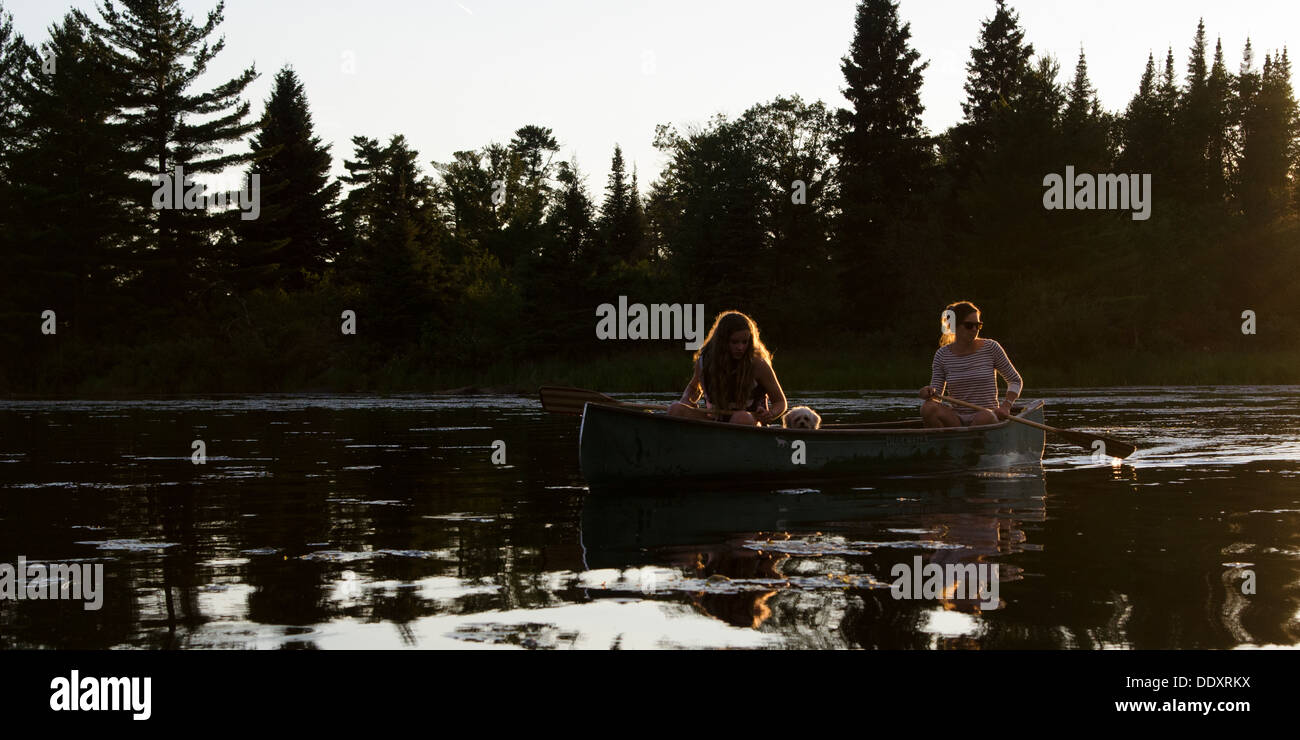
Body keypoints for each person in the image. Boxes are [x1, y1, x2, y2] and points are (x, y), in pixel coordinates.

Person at [668, 311, 788, 426]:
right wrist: (685, 399)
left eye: (744, 342)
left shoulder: (758, 364)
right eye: (734, 342)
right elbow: (694, 387)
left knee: (741, 418)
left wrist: (770, 414)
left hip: (749, 421)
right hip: (715, 420)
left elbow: (781, 402)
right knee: (675, 408)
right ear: (722, 341)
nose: (740, 347)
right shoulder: (705, 361)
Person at [918, 301, 1023, 428]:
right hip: (955, 419)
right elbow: (936, 396)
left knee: (984, 417)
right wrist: (928, 393)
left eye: (978, 325)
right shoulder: (942, 355)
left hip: (987, 416)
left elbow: (1015, 380)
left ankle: (973, 444)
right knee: (927, 408)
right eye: (969, 325)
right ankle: (943, 444)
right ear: (954, 326)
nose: (974, 329)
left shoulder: (991, 348)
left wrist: (1006, 406)